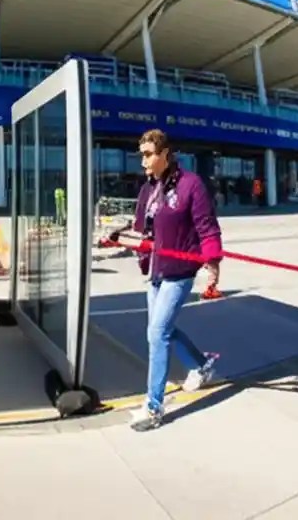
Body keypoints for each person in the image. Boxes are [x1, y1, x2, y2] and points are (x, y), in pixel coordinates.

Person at [126, 129, 222, 432]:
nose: (143, 160)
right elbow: (141, 229)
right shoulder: (148, 189)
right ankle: (200, 364)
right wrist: (118, 238)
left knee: (156, 333)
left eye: (148, 154)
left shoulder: (190, 185)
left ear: (165, 154)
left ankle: (153, 406)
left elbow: (207, 226)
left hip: (179, 273)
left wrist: (213, 260)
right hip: (155, 271)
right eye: (141, 154)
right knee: (162, 329)